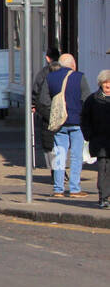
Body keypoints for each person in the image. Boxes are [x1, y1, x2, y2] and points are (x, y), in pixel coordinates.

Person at [48, 53, 91, 197]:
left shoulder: (50, 77)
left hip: (59, 122)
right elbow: (86, 100)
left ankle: (58, 189)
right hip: (77, 121)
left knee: (59, 155)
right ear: (73, 65)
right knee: (76, 156)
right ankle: (74, 188)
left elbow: (44, 100)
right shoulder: (79, 77)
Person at [80, 69, 110, 208]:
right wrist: (88, 135)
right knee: (103, 169)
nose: (108, 85)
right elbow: (84, 119)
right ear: (100, 83)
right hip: (100, 141)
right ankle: (104, 197)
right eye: (105, 82)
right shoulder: (92, 99)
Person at [31, 46, 61, 171]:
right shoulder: (62, 71)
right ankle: (60, 168)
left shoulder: (43, 72)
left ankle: (55, 168)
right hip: (60, 111)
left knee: (48, 139)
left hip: (46, 110)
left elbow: (36, 90)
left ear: (47, 58)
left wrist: (33, 104)